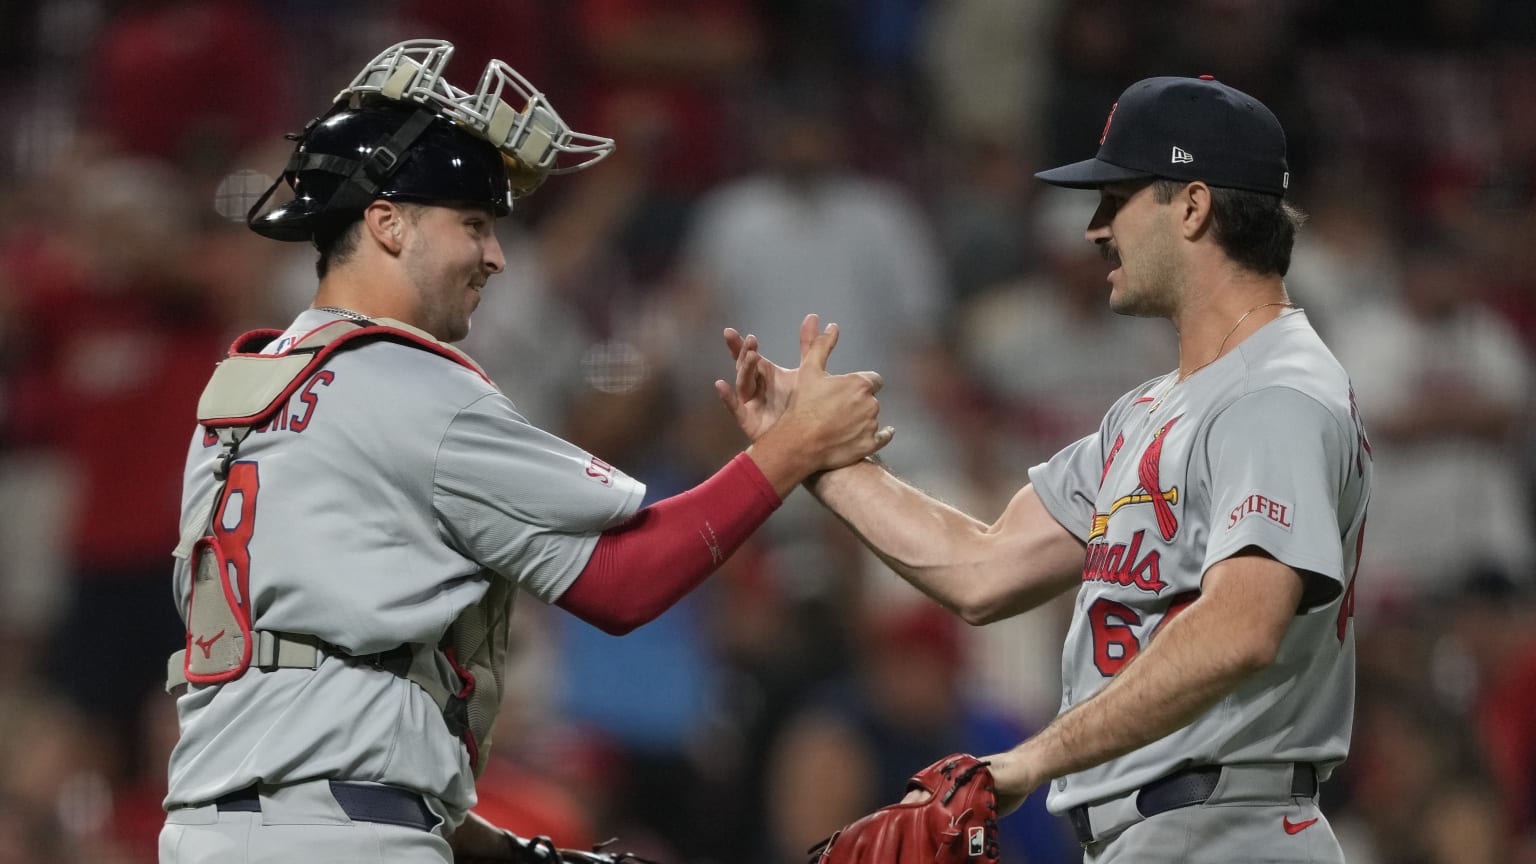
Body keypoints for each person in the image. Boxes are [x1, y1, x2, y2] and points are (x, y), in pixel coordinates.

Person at [157, 39, 892, 864]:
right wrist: (795, 447)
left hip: (207, 829)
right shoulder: (410, 384)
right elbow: (622, 581)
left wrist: (506, 853)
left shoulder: (241, 395)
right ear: (387, 223)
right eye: (473, 223)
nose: (496, 255)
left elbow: (321, 692)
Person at [722, 75, 1372, 862]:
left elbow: (1241, 627)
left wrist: (1030, 759)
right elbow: (984, 568)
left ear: (1194, 207)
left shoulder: (1277, 392)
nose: (1094, 229)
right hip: (1162, 832)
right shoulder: (1153, 410)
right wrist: (808, 453)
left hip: (1227, 828)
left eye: (1117, 198)